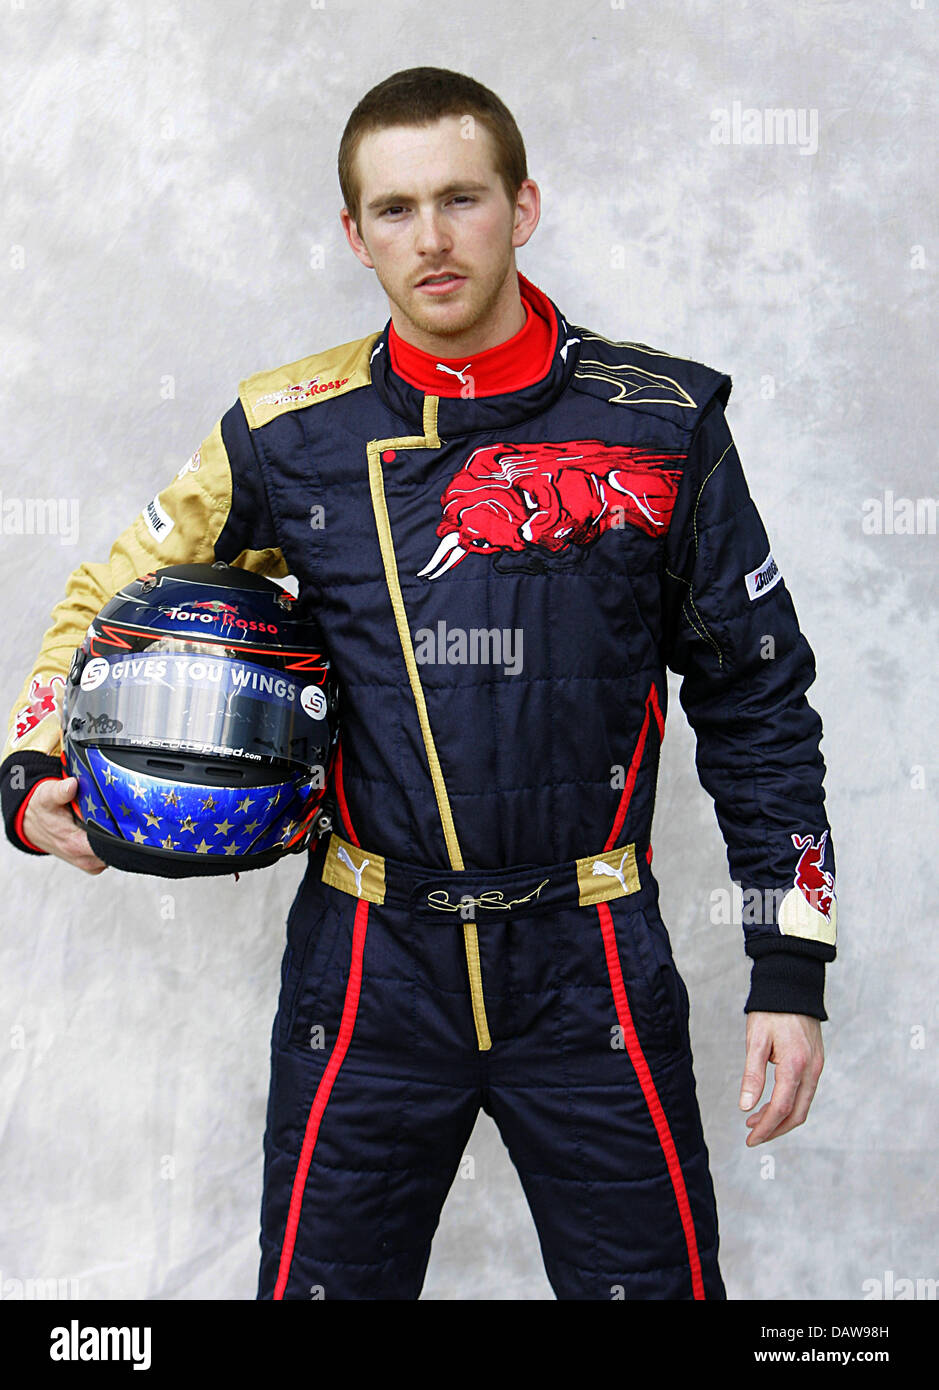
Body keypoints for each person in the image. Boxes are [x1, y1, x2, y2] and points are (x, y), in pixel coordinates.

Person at [0, 66, 837, 1301]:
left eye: (461, 198)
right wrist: (32, 769)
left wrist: (789, 966)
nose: (431, 240)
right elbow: (105, 600)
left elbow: (759, 694)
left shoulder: (661, 421)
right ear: (354, 234)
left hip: (591, 957)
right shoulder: (286, 430)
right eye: (393, 210)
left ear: (525, 204)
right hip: (367, 962)